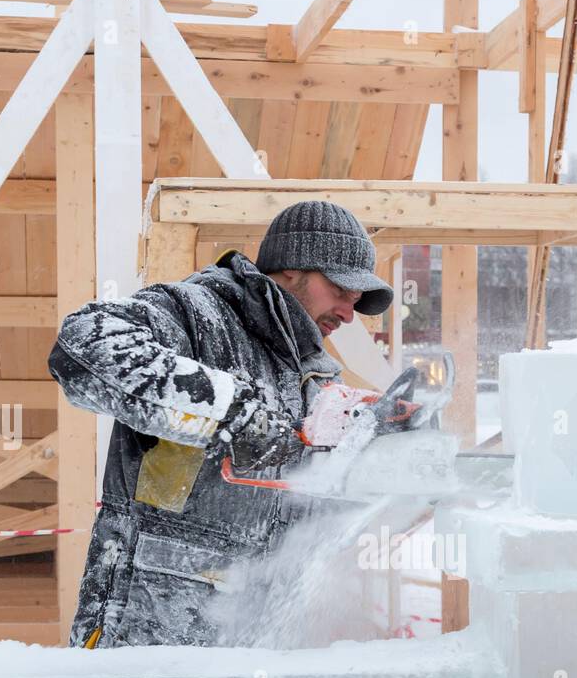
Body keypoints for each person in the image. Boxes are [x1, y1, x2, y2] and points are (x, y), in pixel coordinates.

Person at [48, 201, 393, 648]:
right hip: (147, 626)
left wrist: (378, 465)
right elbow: (84, 345)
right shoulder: (197, 314)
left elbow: (304, 501)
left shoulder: (315, 377)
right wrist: (233, 412)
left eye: (357, 301)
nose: (349, 314)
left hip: (249, 636)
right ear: (292, 267)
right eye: (342, 291)